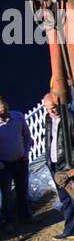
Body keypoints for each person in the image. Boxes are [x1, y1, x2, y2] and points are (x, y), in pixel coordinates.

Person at [42, 93, 74, 241]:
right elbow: (49, 139)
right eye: (48, 109)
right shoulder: (48, 119)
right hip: (54, 165)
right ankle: (70, 230)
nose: (51, 112)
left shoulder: (70, 117)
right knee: (65, 199)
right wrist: (48, 159)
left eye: (53, 108)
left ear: (59, 105)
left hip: (67, 166)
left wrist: (71, 164)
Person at [0, 96, 33, 233]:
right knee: (6, 194)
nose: (3, 112)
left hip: (20, 160)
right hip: (4, 165)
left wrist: (25, 153)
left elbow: (27, 136)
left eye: (4, 108)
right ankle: (8, 220)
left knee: (22, 190)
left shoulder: (18, 117)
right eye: (0, 111)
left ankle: (25, 216)